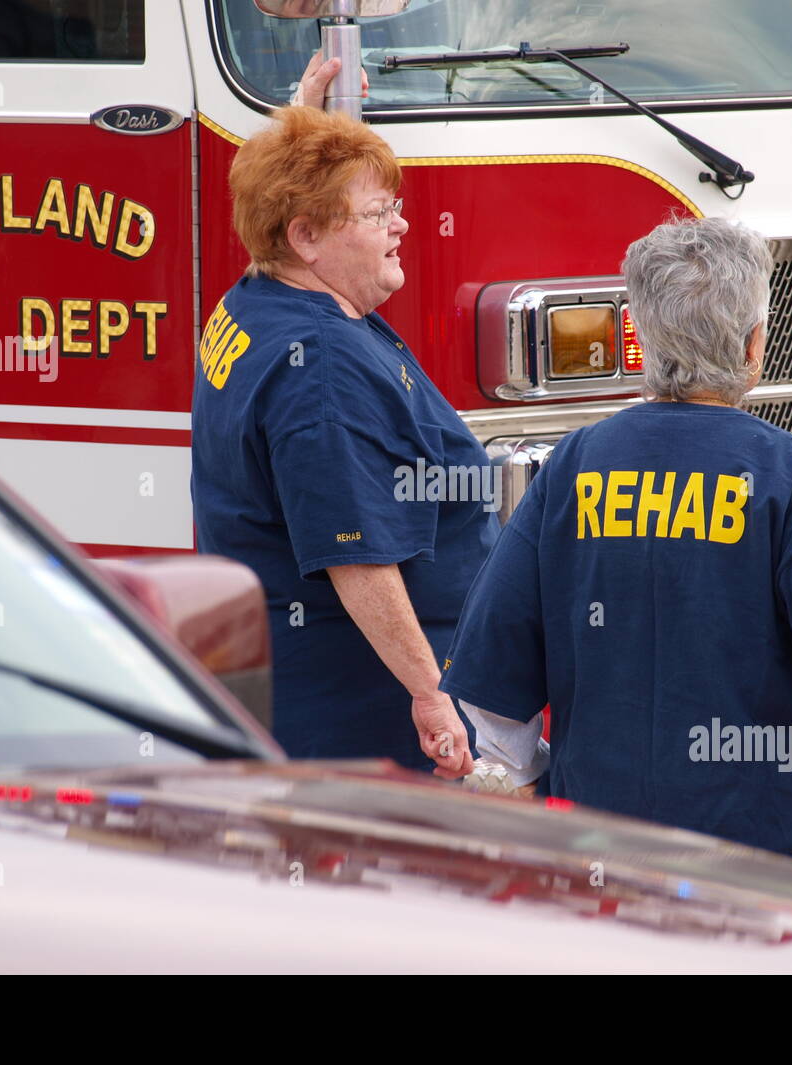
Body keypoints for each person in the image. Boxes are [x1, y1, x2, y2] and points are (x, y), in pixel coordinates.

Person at [437, 217, 792, 865]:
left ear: (642, 336)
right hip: (764, 852)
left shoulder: (577, 463)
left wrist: (525, 774)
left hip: (603, 848)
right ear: (754, 345)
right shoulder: (791, 473)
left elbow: (492, 653)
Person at [191, 105, 496, 777]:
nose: (401, 226)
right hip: (358, 718)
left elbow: (275, 207)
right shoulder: (321, 369)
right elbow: (356, 556)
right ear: (306, 237)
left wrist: (301, 121)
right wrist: (430, 694)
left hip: (299, 690)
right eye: (375, 212)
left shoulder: (255, 296)